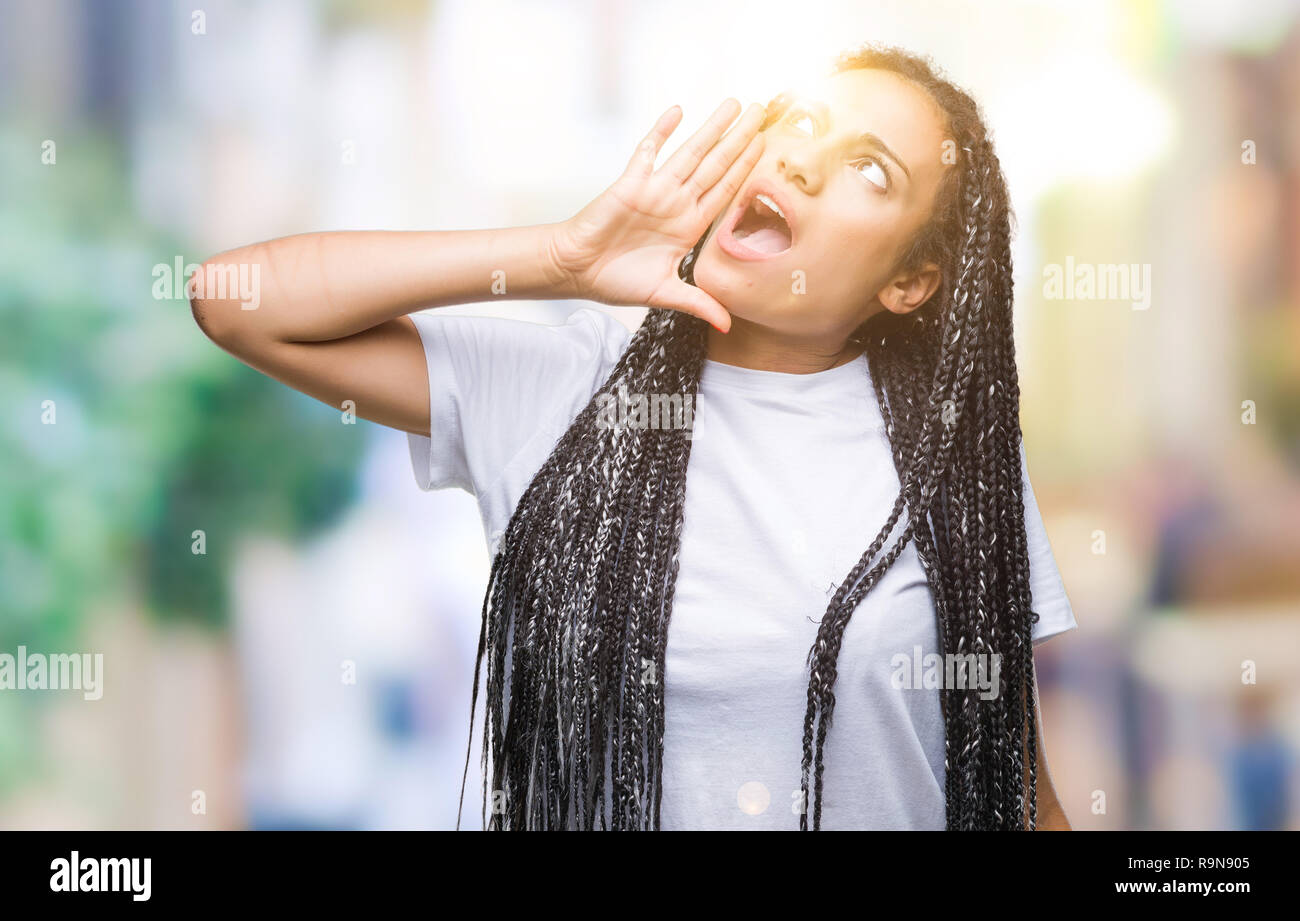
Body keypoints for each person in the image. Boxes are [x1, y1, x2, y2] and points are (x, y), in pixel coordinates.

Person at [190, 42, 1077, 830]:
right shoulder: (570, 390)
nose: (803, 162)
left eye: (871, 171)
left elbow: (1020, 795)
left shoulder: (952, 466)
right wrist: (559, 258)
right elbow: (235, 303)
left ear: (910, 282)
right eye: (804, 122)